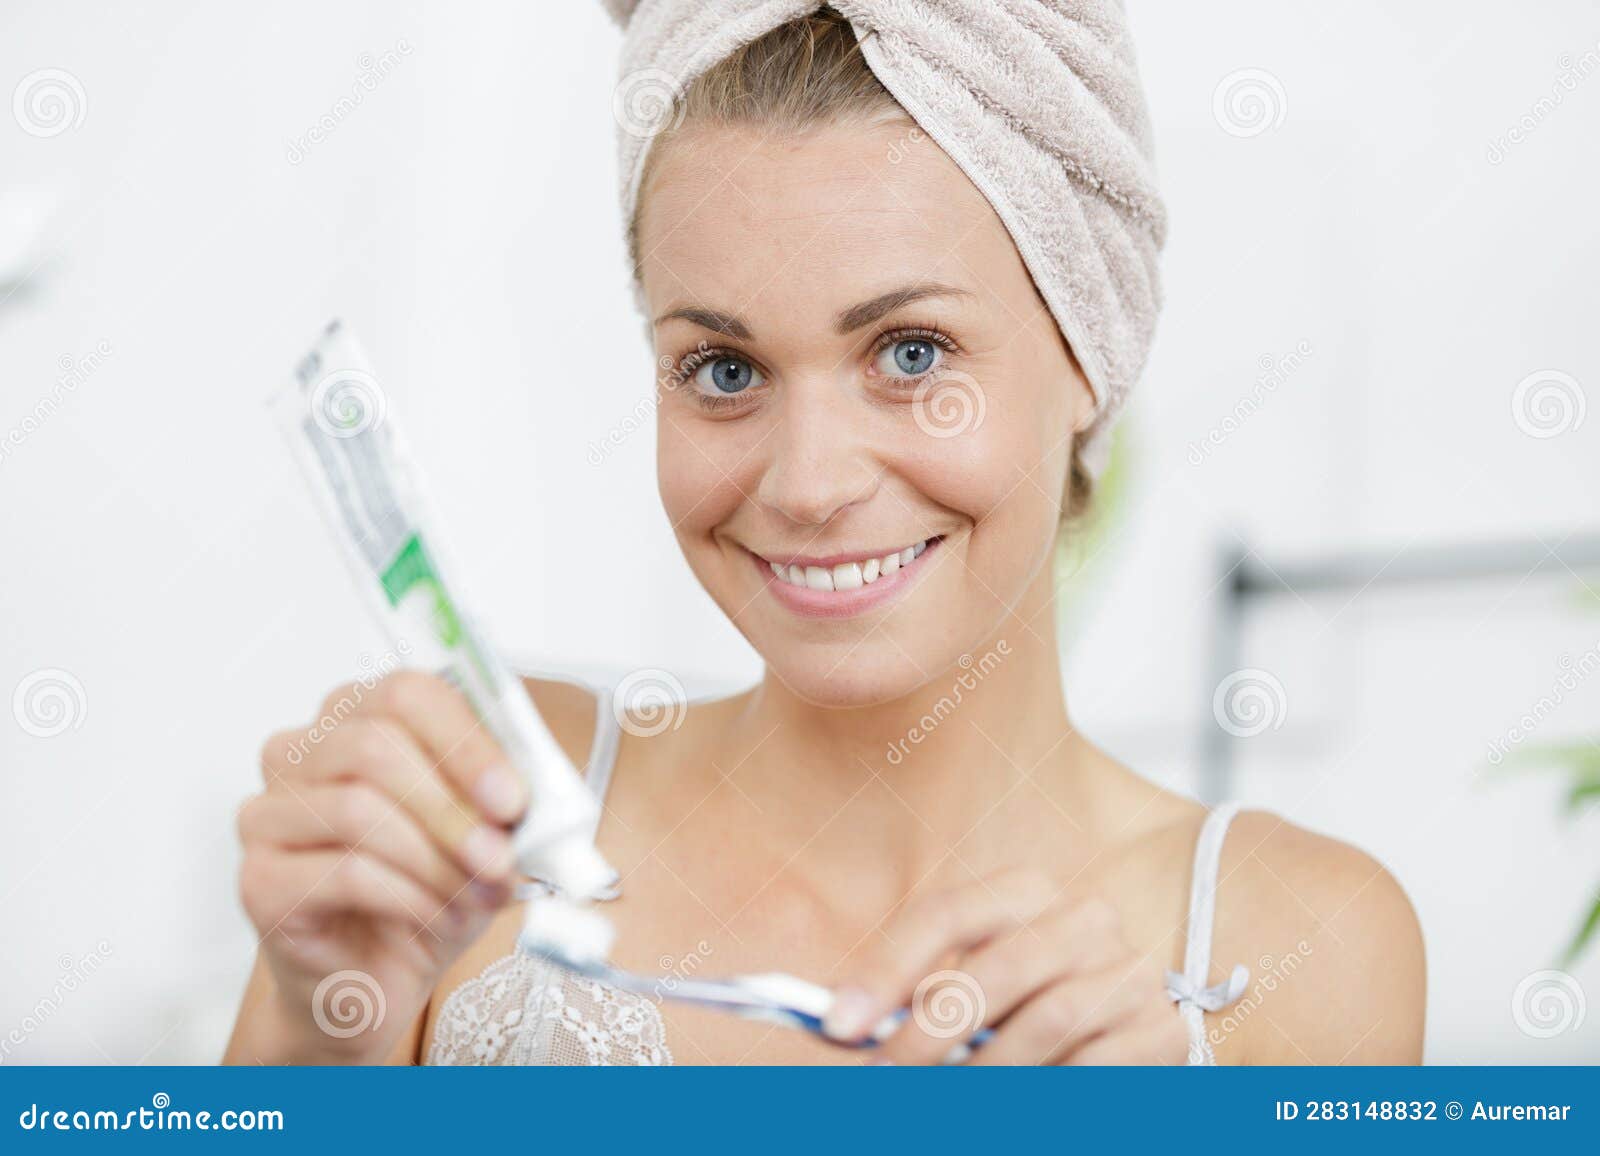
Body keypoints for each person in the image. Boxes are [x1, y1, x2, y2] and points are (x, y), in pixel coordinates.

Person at [226, 5, 1424, 1066]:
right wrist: (315, 1029)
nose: (807, 484)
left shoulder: (1302, 942)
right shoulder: (467, 820)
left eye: (911, 352)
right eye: (724, 368)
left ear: (1084, 356)